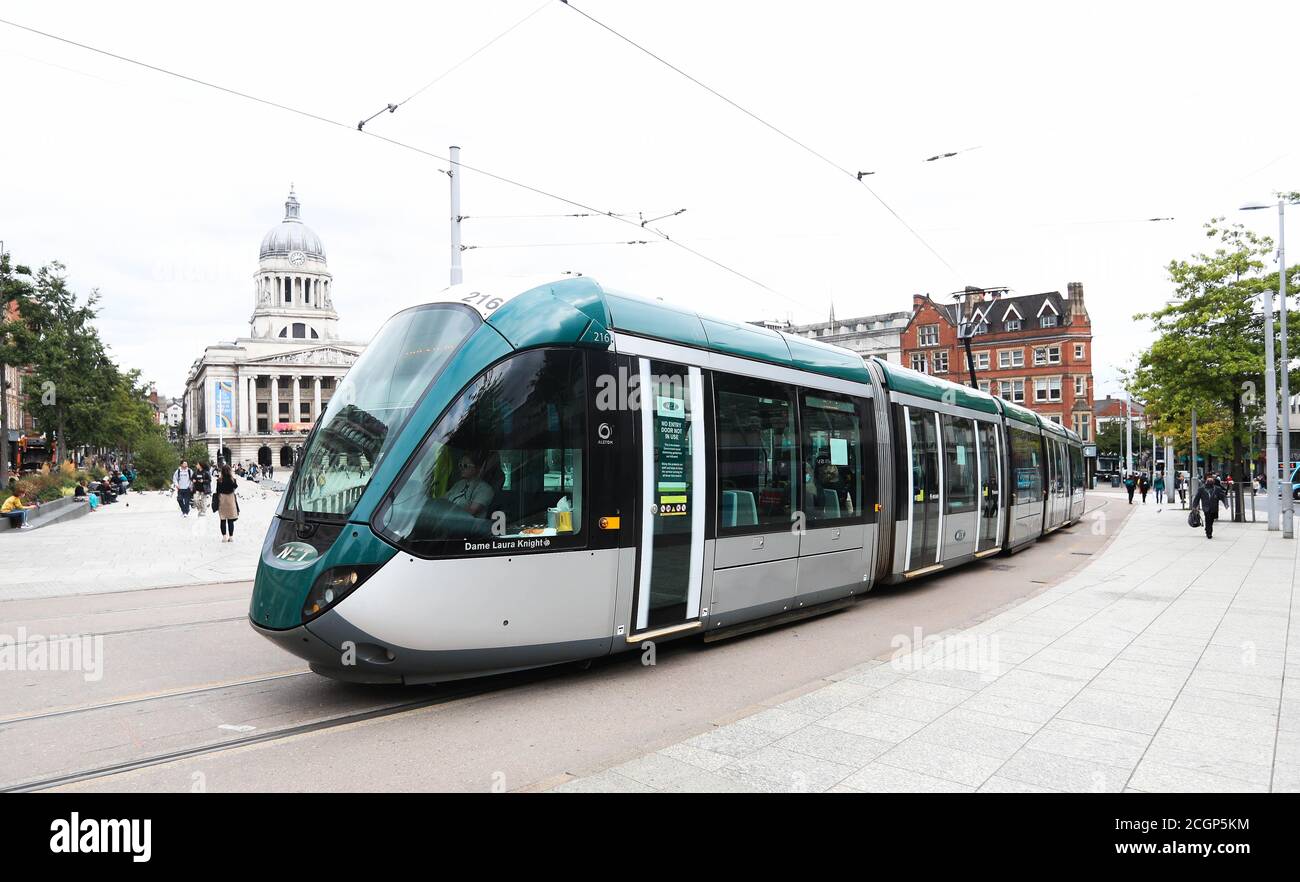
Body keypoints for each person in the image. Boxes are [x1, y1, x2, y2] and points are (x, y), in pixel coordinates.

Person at [441, 451, 495, 517]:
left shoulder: (485, 489)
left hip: (468, 525)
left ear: (477, 468)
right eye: (460, 465)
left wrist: (447, 511)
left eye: (465, 466)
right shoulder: (458, 484)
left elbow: (471, 511)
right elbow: (442, 501)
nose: (461, 468)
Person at [1193, 474, 1229, 539]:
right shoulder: (1201, 489)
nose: (1209, 482)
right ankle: (1209, 533)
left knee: (1211, 520)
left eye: (1211, 480)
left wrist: (1225, 503)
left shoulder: (1217, 489)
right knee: (1207, 518)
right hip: (1206, 507)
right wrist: (1195, 506)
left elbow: (1222, 496)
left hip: (1214, 507)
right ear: (1206, 482)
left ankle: (1207, 528)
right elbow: (1197, 498)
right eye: (1208, 480)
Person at [215, 464, 240, 542]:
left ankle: (224, 536)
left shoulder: (219, 480)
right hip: (230, 499)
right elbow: (235, 487)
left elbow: (217, 491)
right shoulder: (233, 480)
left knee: (222, 519)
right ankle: (231, 536)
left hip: (222, 500)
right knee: (230, 519)